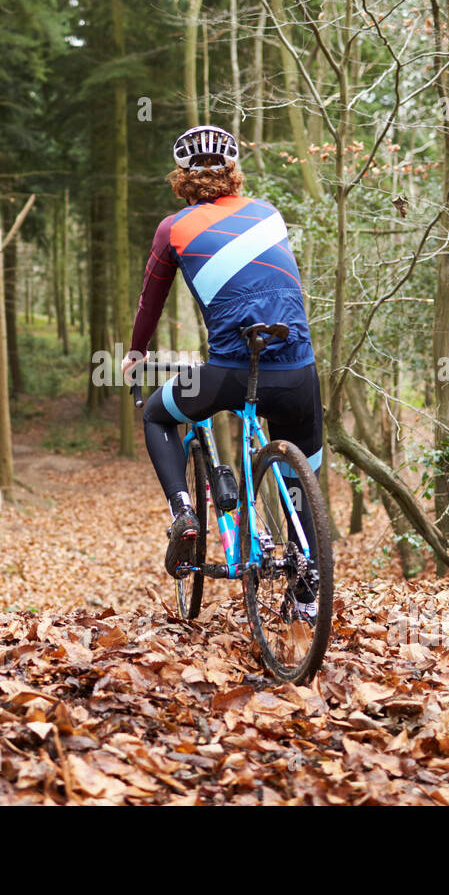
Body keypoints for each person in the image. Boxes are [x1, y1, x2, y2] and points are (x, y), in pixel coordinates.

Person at [121, 125, 323, 613]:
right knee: (305, 477)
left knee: (156, 413)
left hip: (230, 372)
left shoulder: (174, 228)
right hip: (299, 372)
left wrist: (136, 352)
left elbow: (152, 298)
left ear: (182, 180)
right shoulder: (268, 214)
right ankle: (307, 592)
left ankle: (184, 512)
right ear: (234, 174)